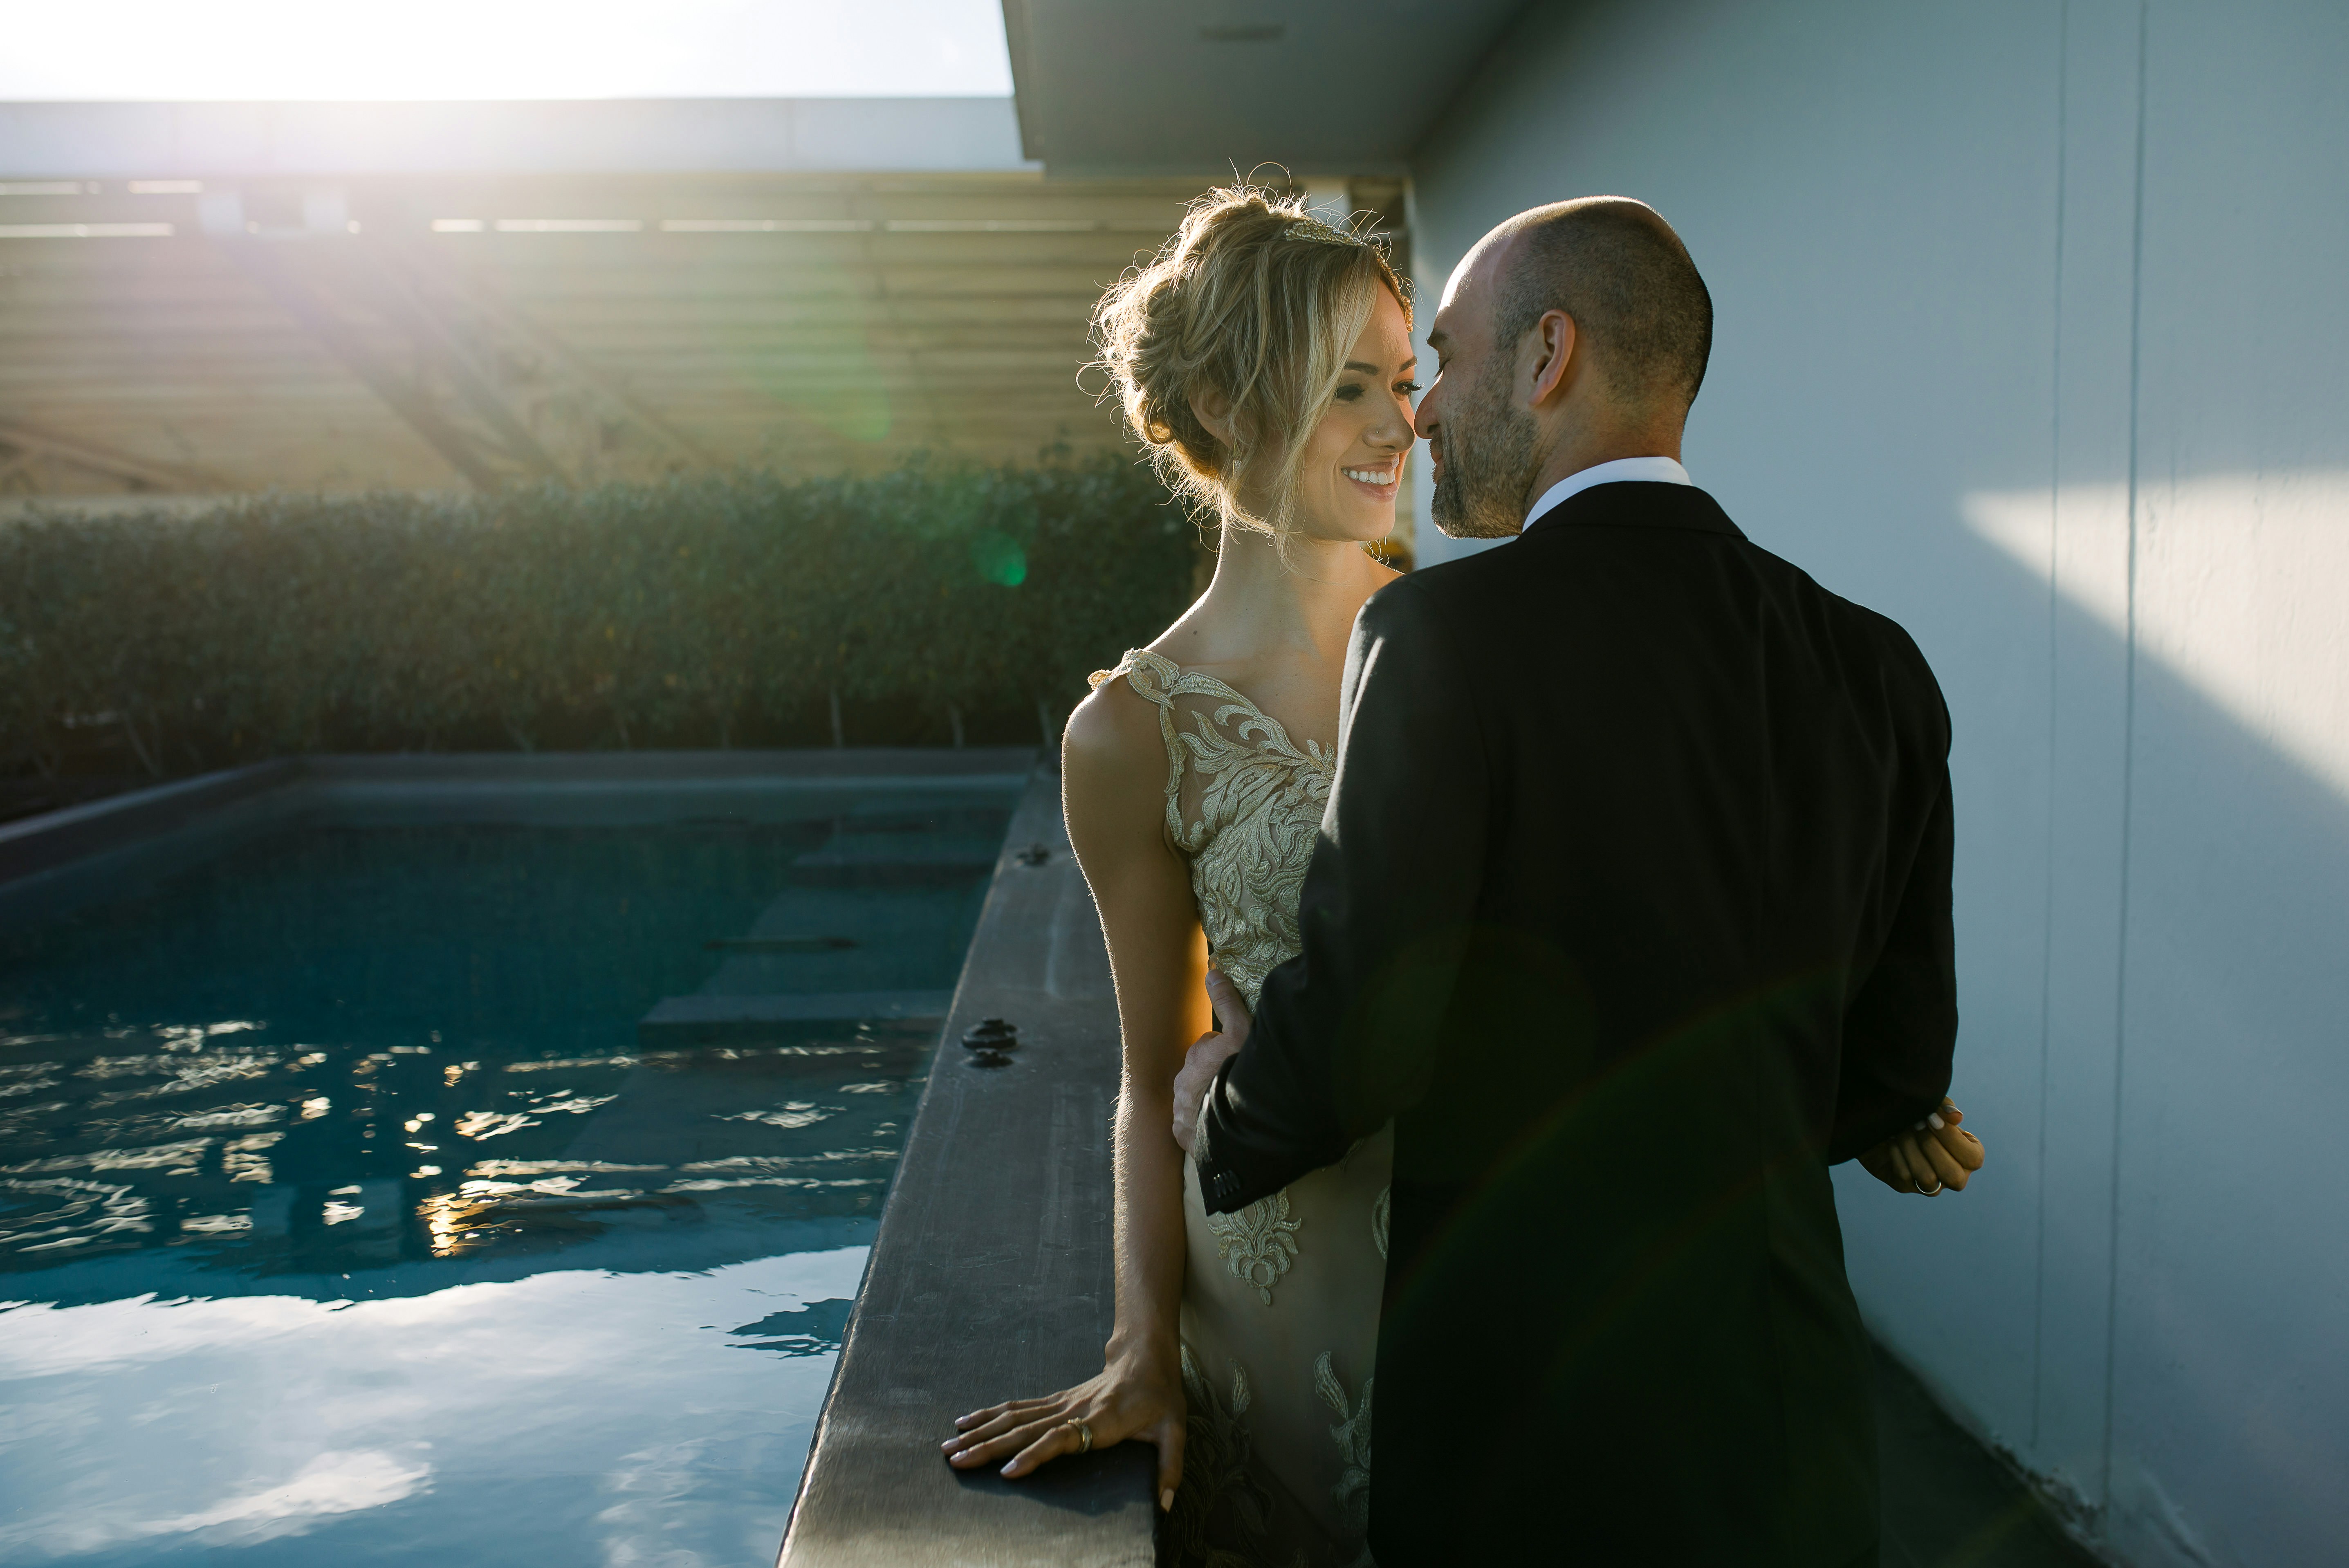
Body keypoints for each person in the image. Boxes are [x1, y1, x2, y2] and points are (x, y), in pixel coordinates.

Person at [945, 187, 1982, 1567]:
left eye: (1418, 373)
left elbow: (1605, 915)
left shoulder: (1473, 636)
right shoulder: (1139, 729)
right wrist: (1140, 1346)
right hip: (1305, 1296)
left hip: (1505, 1324)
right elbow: (1148, 1077)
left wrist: (1234, 1090)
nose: (1405, 419)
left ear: (1543, 361)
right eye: (1353, 387)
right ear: (1228, 405)